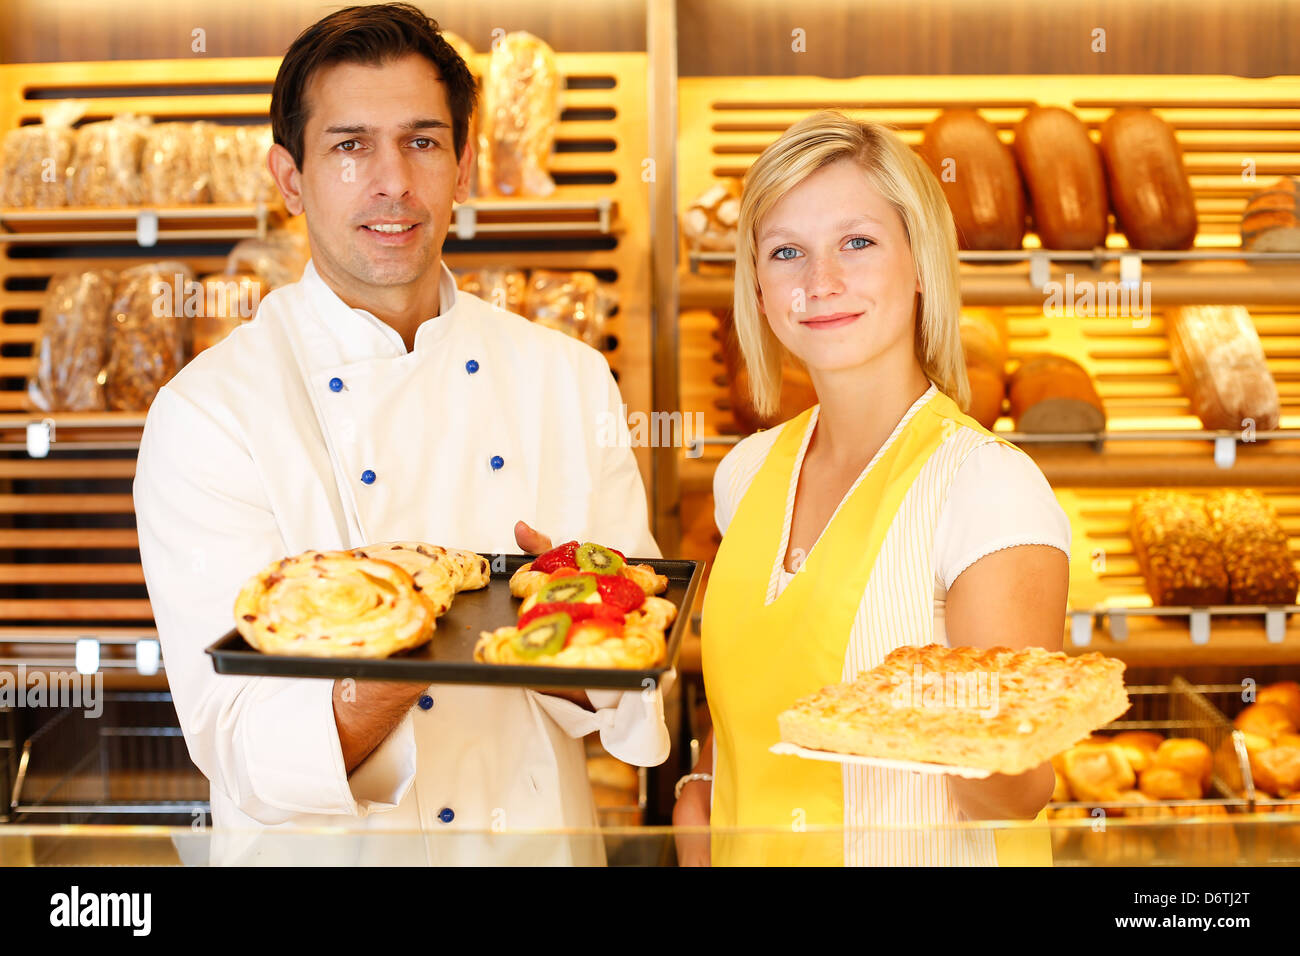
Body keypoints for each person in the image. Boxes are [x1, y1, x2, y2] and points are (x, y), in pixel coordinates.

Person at [133, 3, 668, 866]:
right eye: (350, 146)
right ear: (290, 178)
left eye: (423, 142)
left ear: (463, 166)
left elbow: (629, 683)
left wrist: (562, 620)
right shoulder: (209, 412)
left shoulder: (567, 378)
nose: (393, 181)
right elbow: (238, 740)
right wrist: (413, 643)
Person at [673, 111, 1071, 866]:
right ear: (757, 287)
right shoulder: (746, 474)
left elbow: (1019, 790)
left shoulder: (986, 487)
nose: (821, 283)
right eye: (786, 252)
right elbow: (752, 697)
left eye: (857, 242)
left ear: (920, 262)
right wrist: (703, 780)